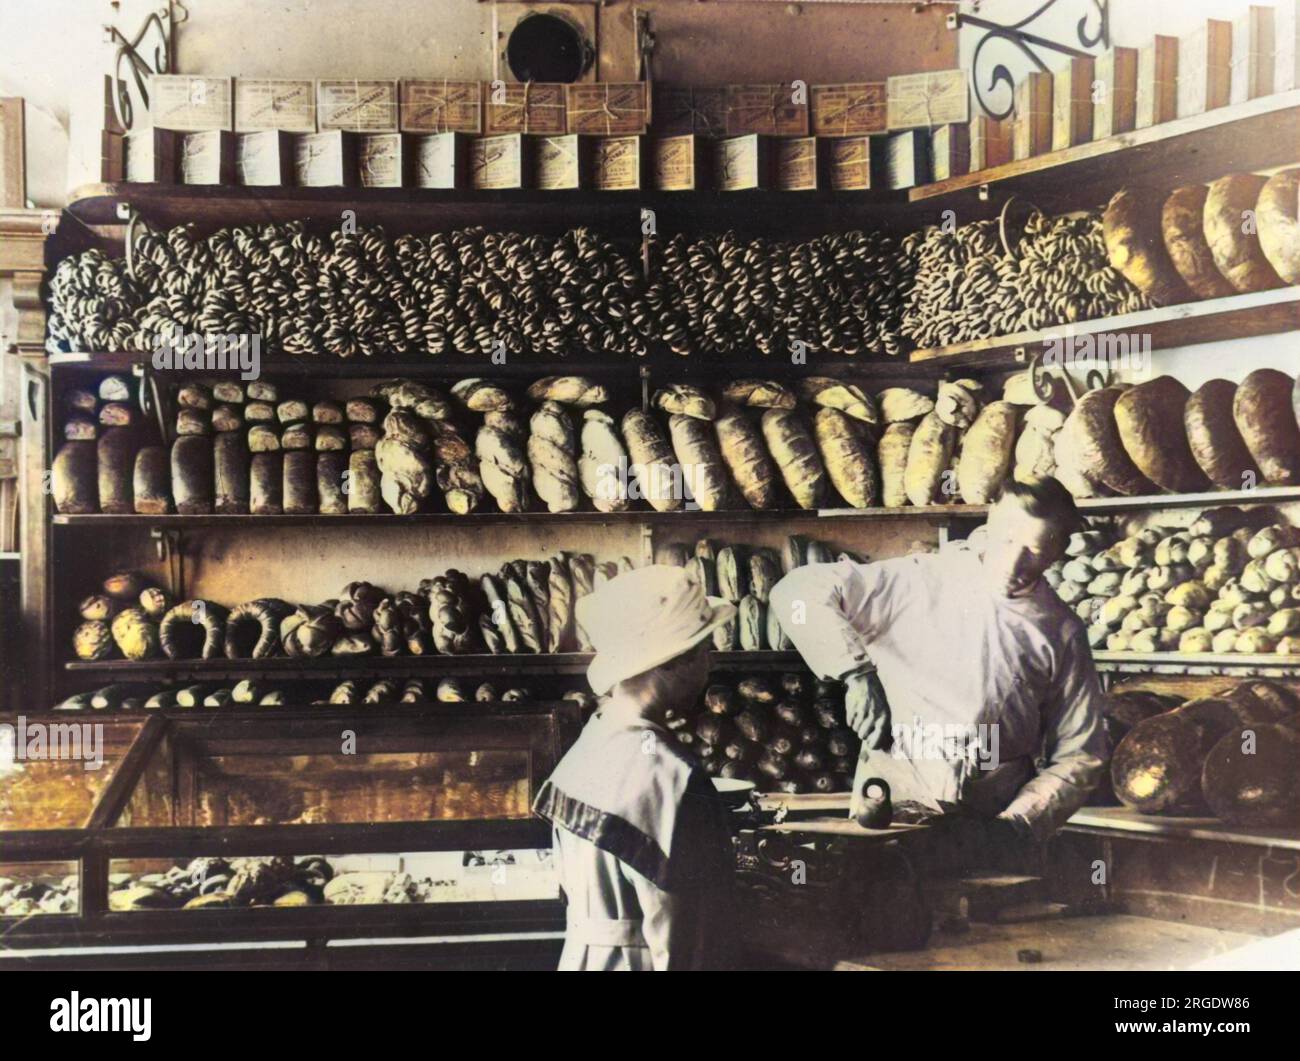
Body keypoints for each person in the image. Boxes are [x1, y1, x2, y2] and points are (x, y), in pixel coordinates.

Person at [769, 476, 1106, 856]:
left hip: (991, 816)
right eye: (1008, 540)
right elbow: (796, 593)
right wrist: (856, 673)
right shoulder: (918, 580)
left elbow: (1082, 752)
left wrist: (1017, 826)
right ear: (990, 518)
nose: (1014, 563)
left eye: (1034, 550)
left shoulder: (1060, 629)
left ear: (1059, 550)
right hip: (894, 800)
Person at [533, 565, 738, 970]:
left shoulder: (590, 742)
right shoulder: (674, 777)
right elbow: (689, 938)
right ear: (670, 662)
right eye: (702, 650)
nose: (709, 666)